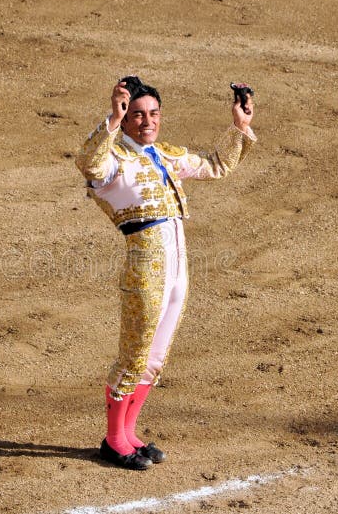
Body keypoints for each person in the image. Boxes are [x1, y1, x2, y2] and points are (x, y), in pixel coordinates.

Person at [75, 76, 256, 470]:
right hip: (145, 265)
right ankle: (113, 441)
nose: (147, 121)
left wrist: (239, 126)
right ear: (126, 120)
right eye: (137, 115)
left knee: (155, 356)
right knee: (135, 352)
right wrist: (112, 118)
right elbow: (88, 162)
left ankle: (128, 434)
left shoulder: (165, 155)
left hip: (177, 265)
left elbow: (216, 165)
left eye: (153, 113)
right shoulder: (113, 162)